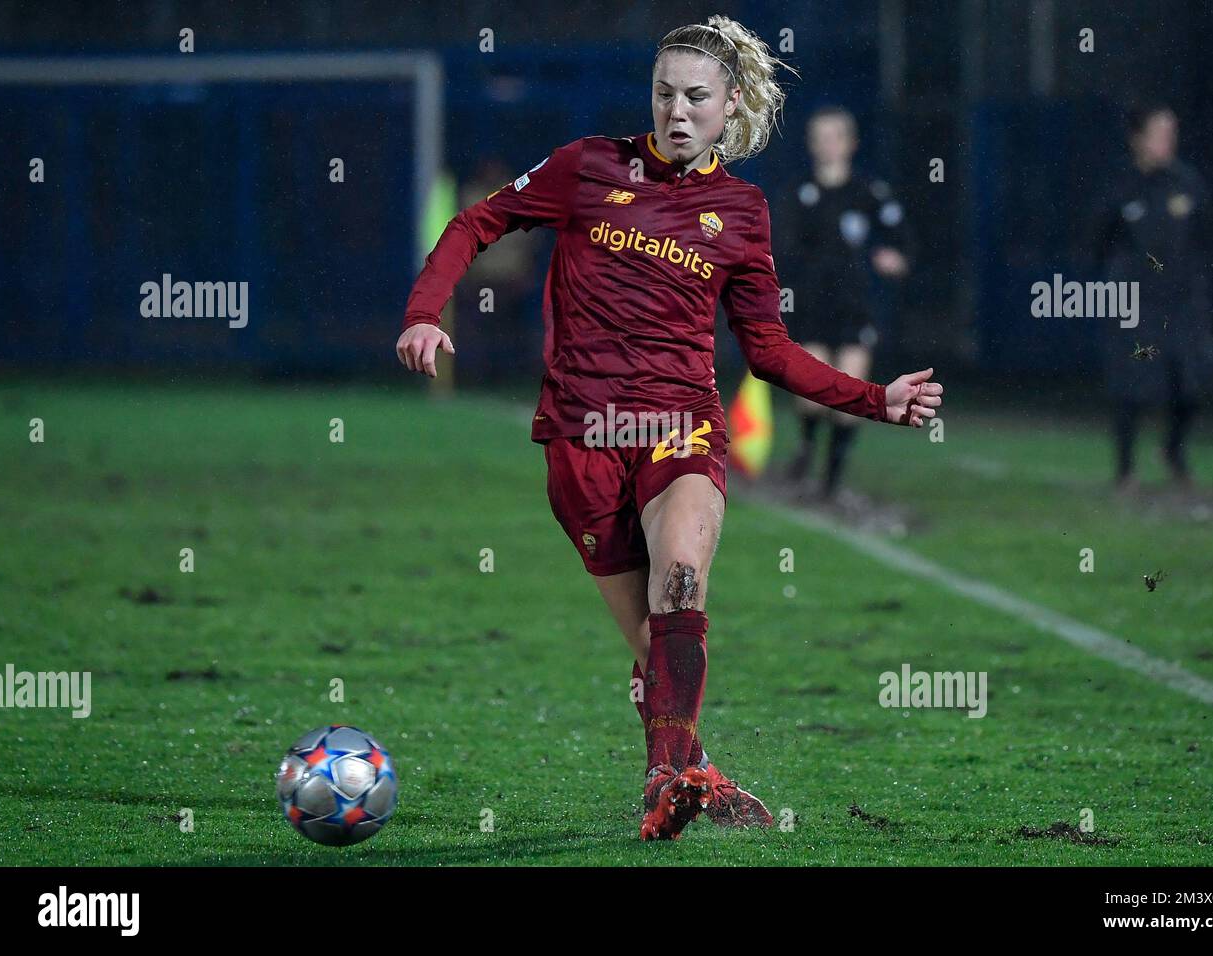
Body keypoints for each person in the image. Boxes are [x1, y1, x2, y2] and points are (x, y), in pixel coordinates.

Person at [396, 15, 943, 840]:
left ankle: (662, 781)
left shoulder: (742, 211)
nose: (676, 111)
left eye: (696, 97)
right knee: (656, 652)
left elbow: (769, 352)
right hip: (582, 440)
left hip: (679, 428)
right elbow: (479, 221)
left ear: (729, 107)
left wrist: (876, 398)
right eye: (663, 93)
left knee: (681, 578)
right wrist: (424, 313)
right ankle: (692, 770)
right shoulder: (588, 167)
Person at [774, 106, 911, 506]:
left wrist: (894, 259)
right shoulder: (797, 194)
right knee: (813, 393)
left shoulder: (870, 194)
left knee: (851, 394)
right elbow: (780, 250)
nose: (827, 144)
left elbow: (900, 243)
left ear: (851, 143)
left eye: (836, 136)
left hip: (855, 306)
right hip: (810, 306)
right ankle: (805, 448)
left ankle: (830, 485)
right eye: (820, 136)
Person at [1090, 103, 1213, 492]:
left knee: (1194, 382)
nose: (1168, 140)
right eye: (1160, 132)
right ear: (1138, 138)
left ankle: (1173, 450)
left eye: (1172, 132)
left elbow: (1207, 238)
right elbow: (1098, 243)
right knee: (1133, 383)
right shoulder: (1120, 187)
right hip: (1136, 304)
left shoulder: (1188, 184)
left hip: (1182, 302)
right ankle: (1125, 469)